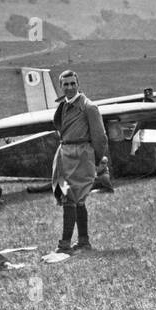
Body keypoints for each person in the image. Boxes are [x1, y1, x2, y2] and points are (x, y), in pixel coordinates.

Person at [50, 70, 107, 254]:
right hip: (64, 157)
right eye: (65, 84)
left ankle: (65, 244)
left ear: (78, 84)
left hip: (80, 157)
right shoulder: (63, 106)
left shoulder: (89, 107)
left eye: (73, 83)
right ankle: (83, 241)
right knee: (77, 199)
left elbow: (100, 138)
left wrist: (95, 160)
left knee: (71, 198)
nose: (69, 87)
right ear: (61, 86)